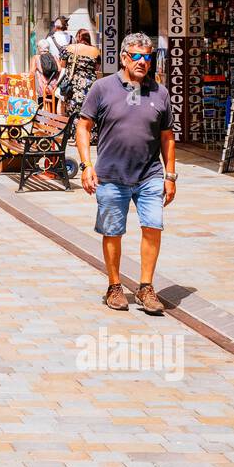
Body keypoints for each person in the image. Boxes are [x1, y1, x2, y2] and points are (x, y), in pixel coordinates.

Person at [75, 32, 176, 316]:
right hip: (111, 175)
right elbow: (83, 127)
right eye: (137, 56)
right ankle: (115, 286)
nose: (143, 62)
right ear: (123, 58)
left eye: (148, 57)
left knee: (153, 225)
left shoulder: (160, 92)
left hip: (149, 175)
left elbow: (168, 137)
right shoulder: (102, 88)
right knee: (112, 231)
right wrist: (86, 166)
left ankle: (146, 286)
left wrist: (170, 175)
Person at [57, 29, 101, 115]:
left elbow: (62, 65)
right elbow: (97, 68)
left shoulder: (69, 48)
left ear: (78, 37)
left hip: (73, 87)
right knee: (89, 113)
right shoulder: (96, 51)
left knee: (73, 113)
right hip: (90, 87)